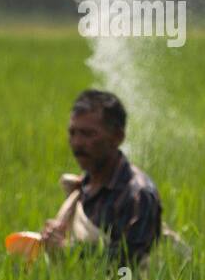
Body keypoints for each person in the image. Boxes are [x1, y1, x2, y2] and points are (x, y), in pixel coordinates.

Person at [40, 89, 163, 264]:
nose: (77, 143)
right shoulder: (83, 185)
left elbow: (128, 267)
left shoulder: (137, 195)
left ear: (117, 137)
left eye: (88, 134)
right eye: (72, 133)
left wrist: (69, 251)